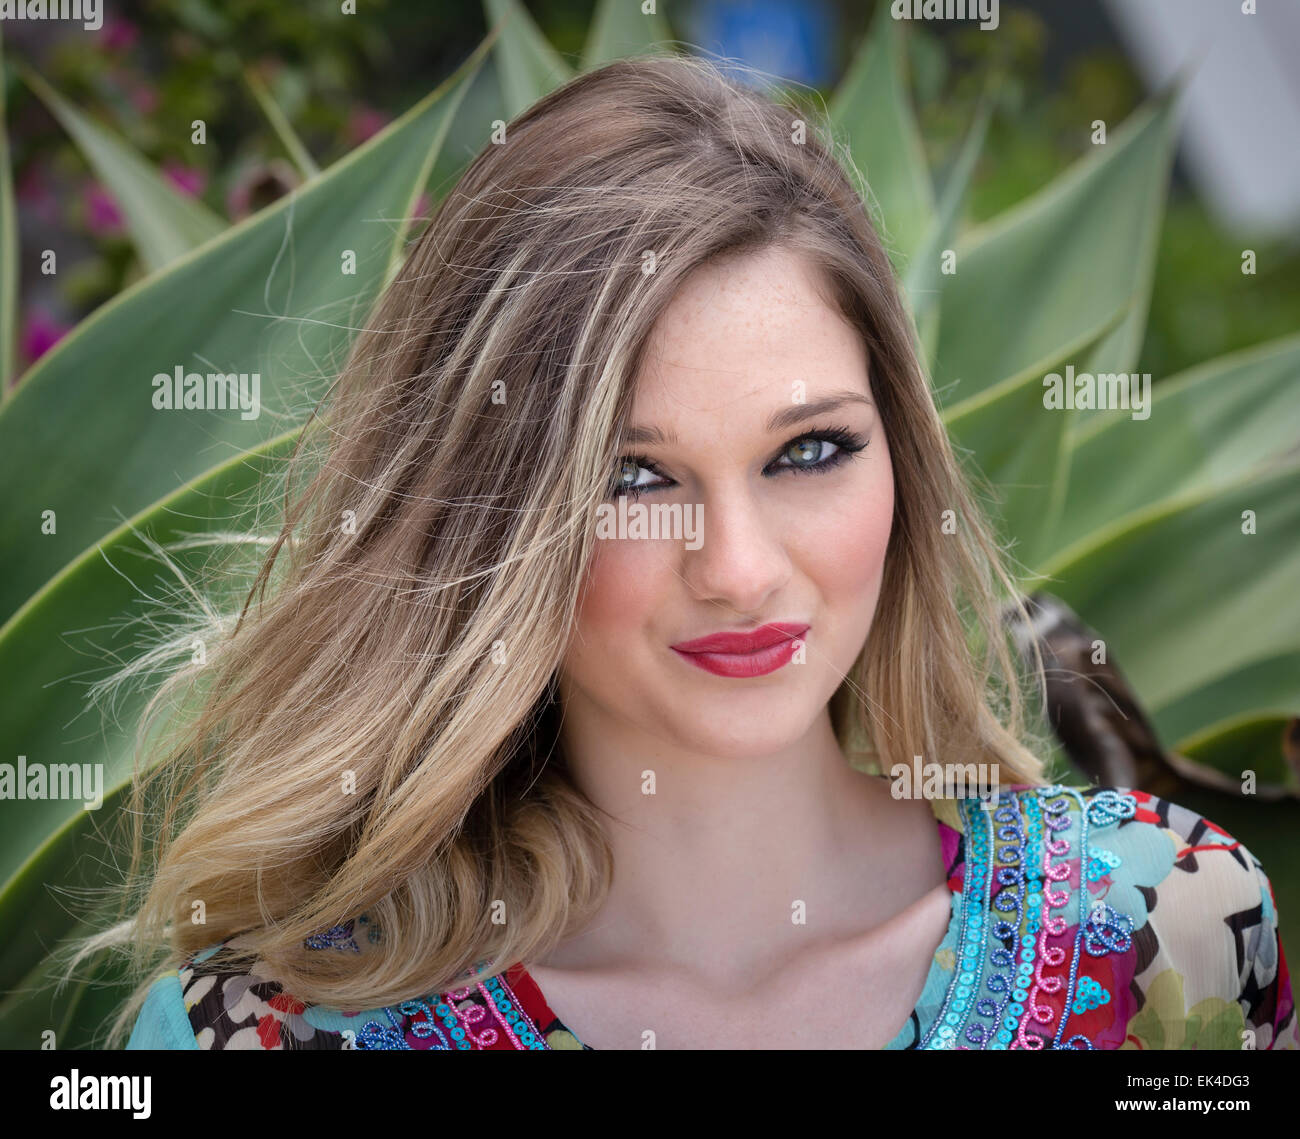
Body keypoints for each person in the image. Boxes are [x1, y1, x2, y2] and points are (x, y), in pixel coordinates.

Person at [110, 53, 1293, 1050]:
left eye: (809, 451)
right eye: (633, 477)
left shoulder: (1168, 924)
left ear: (902, 462)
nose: (737, 566)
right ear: (487, 516)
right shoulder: (259, 1029)